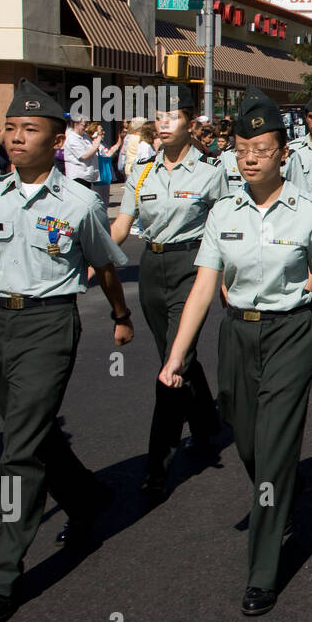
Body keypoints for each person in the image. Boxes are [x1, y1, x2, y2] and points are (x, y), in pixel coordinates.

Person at [0, 79, 133, 622]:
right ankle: (85, 498)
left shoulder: (79, 202)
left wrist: (120, 314)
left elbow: (105, 266)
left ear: (56, 140)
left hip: (49, 323)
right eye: (10, 127)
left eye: (29, 129)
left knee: (18, 452)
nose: (15, 137)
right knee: (20, 424)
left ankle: (1, 575)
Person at [158, 87, 312, 617]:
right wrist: (177, 355)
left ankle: (263, 569)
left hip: (292, 331)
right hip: (237, 335)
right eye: (241, 148)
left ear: (282, 154)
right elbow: (204, 287)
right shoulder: (222, 211)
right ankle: (279, 485)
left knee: (271, 449)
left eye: (261, 148)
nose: (249, 157)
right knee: (244, 436)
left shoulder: (309, 213)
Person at [109, 84, 229, 500]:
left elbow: (226, 226)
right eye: (158, 116)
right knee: (174, 354)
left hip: (192, 266)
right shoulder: (142, 171)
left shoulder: (211, 172)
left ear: (191, 121)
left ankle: (158, 465)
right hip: (151, 268)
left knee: (174, 365)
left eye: (172, 115)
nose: (162, 123)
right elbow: (124, 224)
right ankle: (207, 426)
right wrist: (99, 256)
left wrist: (228, 276)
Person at [63, 115, 101, 188]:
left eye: (88, 124)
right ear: (76, 124)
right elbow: (84, 156)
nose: (87, 127)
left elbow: (92, 150)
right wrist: (96, 144)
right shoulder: (72, 138)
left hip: (88, 176)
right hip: (78, 177)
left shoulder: (85, 136)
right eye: (84, 124)